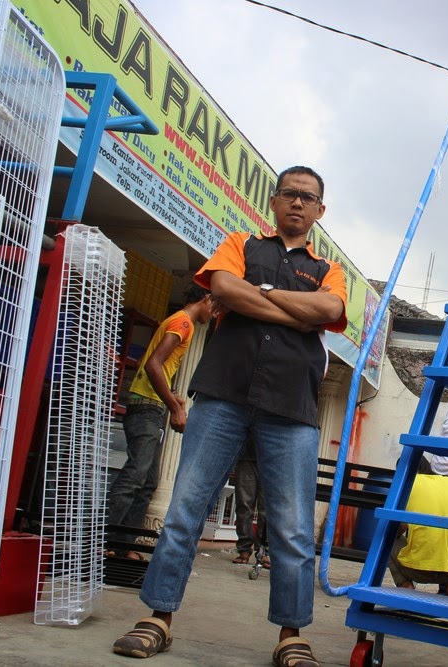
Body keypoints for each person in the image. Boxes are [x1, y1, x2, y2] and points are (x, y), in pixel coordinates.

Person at [112, 166, 347, 667]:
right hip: (223, 395)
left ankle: (290, 635)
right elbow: (222, 285)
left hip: (292, 407)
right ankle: (158, 618)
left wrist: (258, 294)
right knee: (185, 509)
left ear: (320, 211)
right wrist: (295, 313)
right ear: (274, 201)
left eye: (307, 197)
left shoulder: (328, 269)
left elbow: (329, 310)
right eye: (289, 193)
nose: (297, 202)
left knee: (293, 528)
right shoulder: (241, 244)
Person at [106, 284, 214, 560]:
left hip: (150, 406)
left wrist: (172, 396)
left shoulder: (179, 322)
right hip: (146, 407)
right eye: (216, 307)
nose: (214, 315)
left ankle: (122, 546)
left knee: (147, 482)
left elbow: (152, 366)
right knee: (134, 477)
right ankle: (101, 541)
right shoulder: (183, 323)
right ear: (206, 298)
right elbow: (153, 364)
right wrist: (174, 408)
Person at [389, 457, 448, 597]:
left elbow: (399, 528)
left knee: (386, 538)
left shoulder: (408, 485)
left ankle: (405, 583)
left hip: (414, 570)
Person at [232, 438, 267, 567]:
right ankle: (244, 549)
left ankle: (263, 551)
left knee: (267, 509)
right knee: (244, 505)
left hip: (271, 458)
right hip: (246, 454)